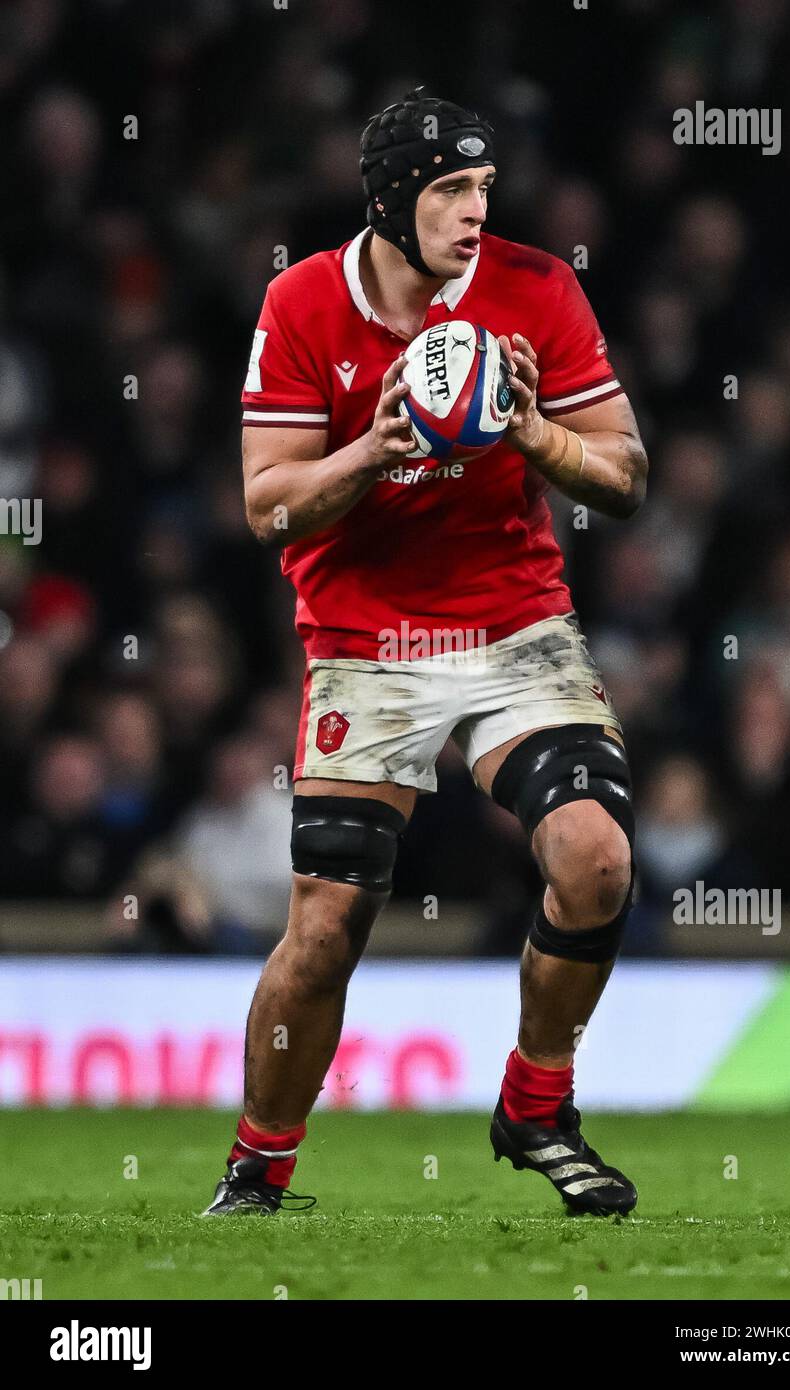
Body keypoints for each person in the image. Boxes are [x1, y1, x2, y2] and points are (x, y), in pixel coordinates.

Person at [203, 89, 648, 1218]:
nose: (474, 211)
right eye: (451, 189)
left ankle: (535, 1106)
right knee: (328, 921)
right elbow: (265, 505)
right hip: (365, 638)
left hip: (513, 622)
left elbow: (626, 475)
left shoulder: (537, 287)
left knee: (595, 859)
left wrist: (529, 427)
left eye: (484, 187)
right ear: (393, 199)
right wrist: (375, 446)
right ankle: (261, 1165)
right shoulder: (302, 302)